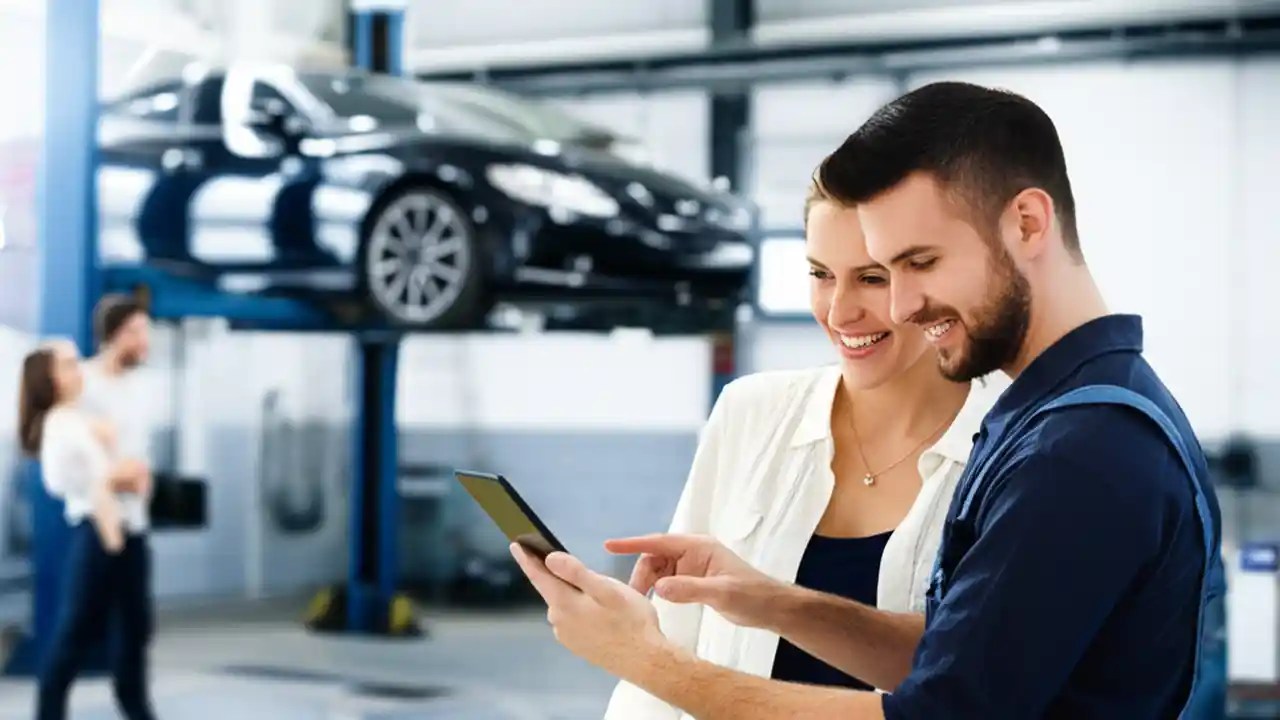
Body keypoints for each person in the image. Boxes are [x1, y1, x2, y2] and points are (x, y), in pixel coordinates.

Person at [511, 80, 1225, 720]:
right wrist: (768, 601)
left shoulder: (1083, 452)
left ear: (1029, 223)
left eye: (919, 264)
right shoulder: (1059, 414)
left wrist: (644, 659)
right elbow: (962, 661)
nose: (905, 303)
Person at [604, 179, 1007, 718]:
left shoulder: (1011, 452)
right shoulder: (751, 412)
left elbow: (987, 685)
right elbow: (670, 652)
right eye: (820, 275)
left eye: (870, 278)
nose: (840, 312)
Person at [18, 336, 155, 720]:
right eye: (69, 364)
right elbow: (79, 482)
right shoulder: (62, 423)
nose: (79, 370)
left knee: (133, 632)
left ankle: (138, 709)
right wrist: (119, 478)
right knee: (76, 635)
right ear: (51, 379)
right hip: (100, 536)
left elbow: (109, 467)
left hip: (119, 534)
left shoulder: (76, 419)